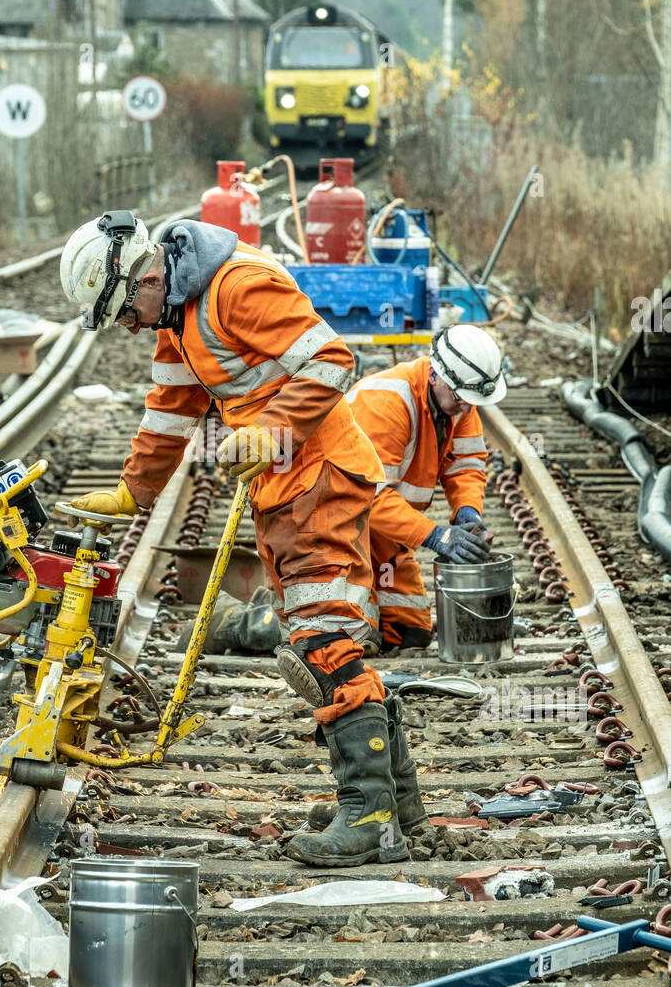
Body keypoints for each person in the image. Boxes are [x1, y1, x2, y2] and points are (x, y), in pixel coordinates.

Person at [59, 210, 429, 866]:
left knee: (321, 643)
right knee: (312, 645)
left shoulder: (238, 284)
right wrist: (134, 491)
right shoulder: (176, 313)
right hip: (282, 487)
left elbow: (331, 358)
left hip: (321, 478)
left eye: (123, 313)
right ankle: (396, 811)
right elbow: (170, 409)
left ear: (141, 278)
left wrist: (272, 430)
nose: (130, 326)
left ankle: (369, 819)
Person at [347, 324, 507, 655]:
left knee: (411, 633)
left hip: (383, 534)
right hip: (339, 528)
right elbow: (368, 496)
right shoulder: (388, 401)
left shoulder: (459, 399)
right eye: (461, 399)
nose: (466, 409)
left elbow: (466, 464)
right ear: (434, 374)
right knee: (352, 638)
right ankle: (261, 620)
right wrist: (435, 535)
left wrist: (467, 511)